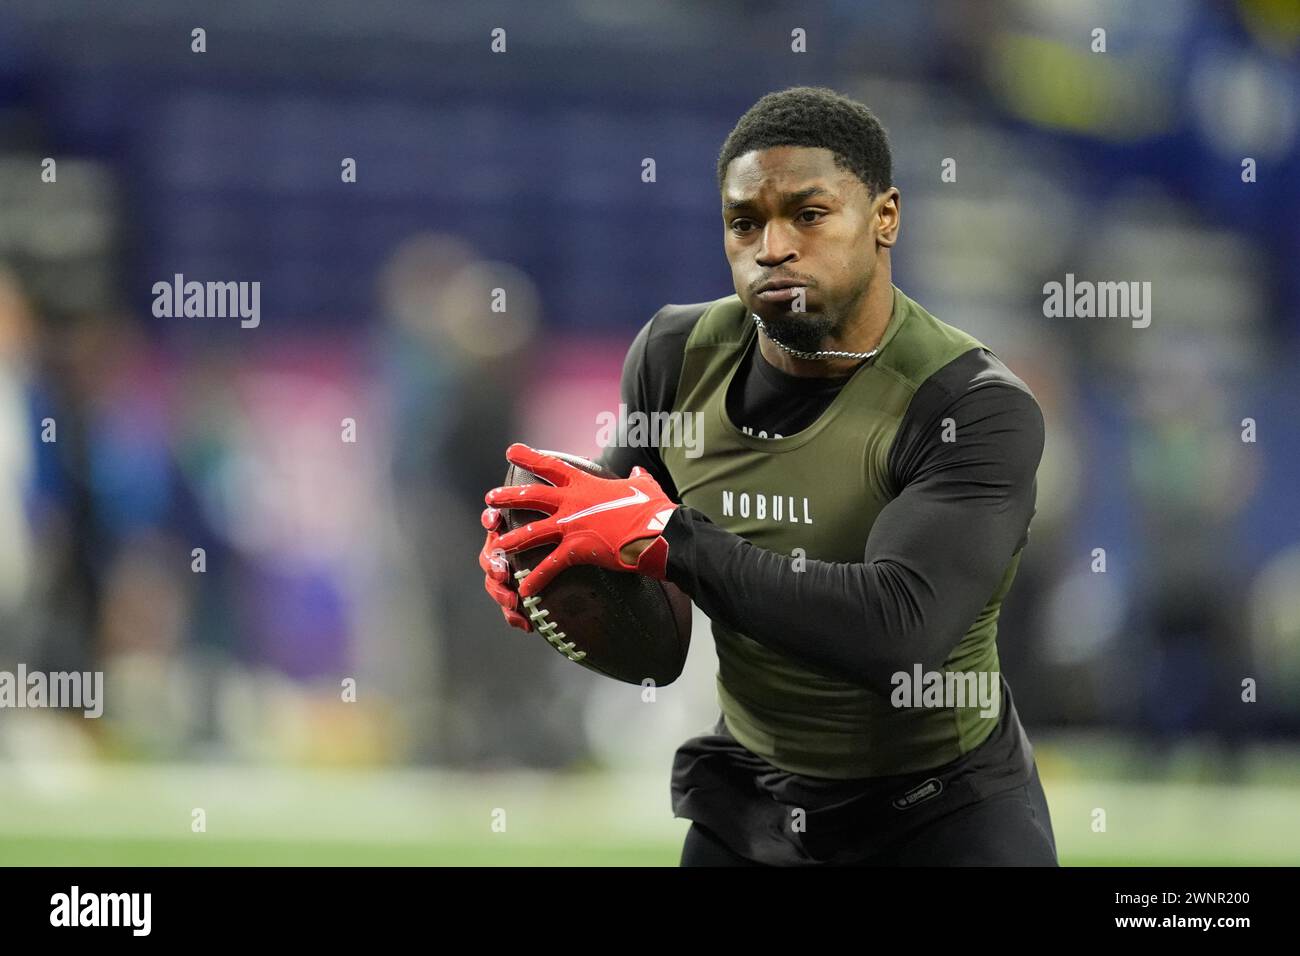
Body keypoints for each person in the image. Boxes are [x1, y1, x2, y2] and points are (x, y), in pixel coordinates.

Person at [479, 86, 1057, 866]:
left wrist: (667, 538)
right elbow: (649, 612)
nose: (772, 246)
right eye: (745, 221)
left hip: (939, 811)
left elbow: (900, 634)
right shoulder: (673, 355)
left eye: (808, 215)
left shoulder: (969, 403)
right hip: (756, 802)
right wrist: (551, 555)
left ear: (885, 217)